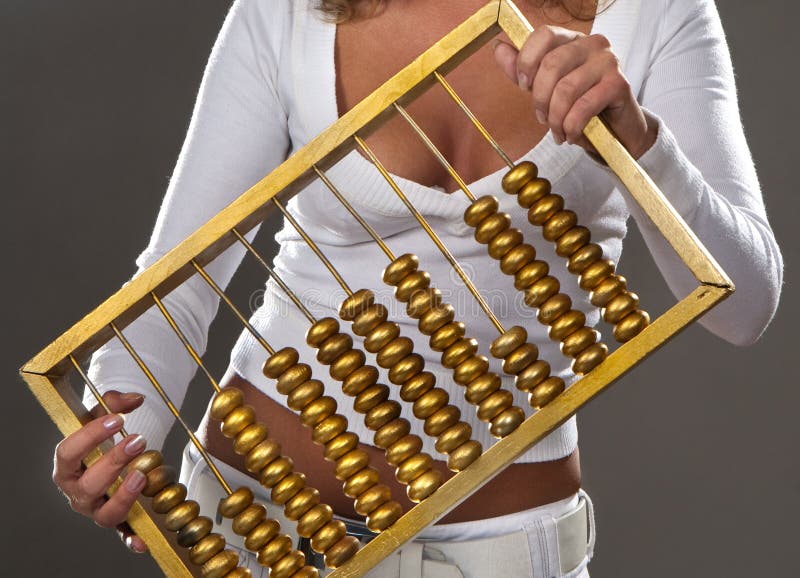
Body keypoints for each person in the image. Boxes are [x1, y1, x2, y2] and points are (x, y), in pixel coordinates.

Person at [50, 0, 783, 576]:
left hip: (499, 551)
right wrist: (116, 449)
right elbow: (176, 284)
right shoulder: (288, 10)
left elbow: (746, 305)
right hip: (258, 524)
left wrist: (642, 142)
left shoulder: (655, 12)